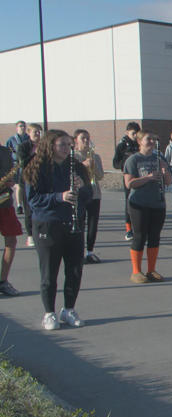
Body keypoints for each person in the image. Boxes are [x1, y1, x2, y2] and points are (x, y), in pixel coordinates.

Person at [24, 129, 93, 330]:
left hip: (74, 223)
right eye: (62, 144)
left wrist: (82, 188)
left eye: (68, 144)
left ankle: (69, 309)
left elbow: (89, 195)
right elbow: (33, 200)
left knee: (74, 270)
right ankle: (49, 312)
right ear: (50, 146)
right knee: (49, 272)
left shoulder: (77, 167)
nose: (67, 148)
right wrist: (58, 197)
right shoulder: (37, 167)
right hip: (48, 224)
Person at [123, 130, 172, 283]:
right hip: (139, 203)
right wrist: (148, 177)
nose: (151, 142)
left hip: (157, 202)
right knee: (139, 236)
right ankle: (136, 271)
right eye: (148, 139)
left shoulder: (159, 158)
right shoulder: (133, 160)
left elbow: (169, 182)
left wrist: (165, 171)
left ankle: (151, 270)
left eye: (153, 139)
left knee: (154, 237)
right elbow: (129, 183)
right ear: (139, 141)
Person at [73, 129, 105, 264]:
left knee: (93, 223)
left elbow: (100, 176)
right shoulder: (73, 156)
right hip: (80, 194)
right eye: (83, 139)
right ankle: (78, 252)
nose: (86, 141)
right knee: (80, 223)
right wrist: (83, 165)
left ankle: (90, 251)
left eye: (88, 138)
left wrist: (93, 165)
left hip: (95, 193)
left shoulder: (95, 156)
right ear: (76, 140)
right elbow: (73, 175)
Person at [113, 122, 141, 241]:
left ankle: (138, 227)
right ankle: (128, 229)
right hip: (129, 177)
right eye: (133, 133)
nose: (135, 136)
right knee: (129, 202)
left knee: (140, 202)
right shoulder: (122, 145)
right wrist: (126, 162)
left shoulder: (140, 143)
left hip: (140, 176)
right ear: (127, 132)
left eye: (137, 133)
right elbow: (115, 163)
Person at [0, 145, 22, 297]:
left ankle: (3, 281)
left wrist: (12, 180)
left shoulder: (5, 152)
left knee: (11, 241)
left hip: (4, 202)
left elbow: (12, 174)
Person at [17, 123, 42, 247]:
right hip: (28, 180)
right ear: (29, 133)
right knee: (29, 209)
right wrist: (35, 153)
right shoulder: (23, 146)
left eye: (39, 132)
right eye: (35, 132)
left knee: (41, 207)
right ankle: (30, 235)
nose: (37, 134)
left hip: (42, 180)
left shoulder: (44, 145)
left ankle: (41, 232)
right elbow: (23, 163)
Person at [5, 120, 27, 214]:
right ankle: (19, 205)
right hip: (16, 165)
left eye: (24, 126)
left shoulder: (28, 138)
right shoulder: (11, 140)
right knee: (19, 186)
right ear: (16, 128)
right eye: (20, 126)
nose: (22, 128)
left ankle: (27, 205)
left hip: (27, 164)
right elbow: (7, 152)